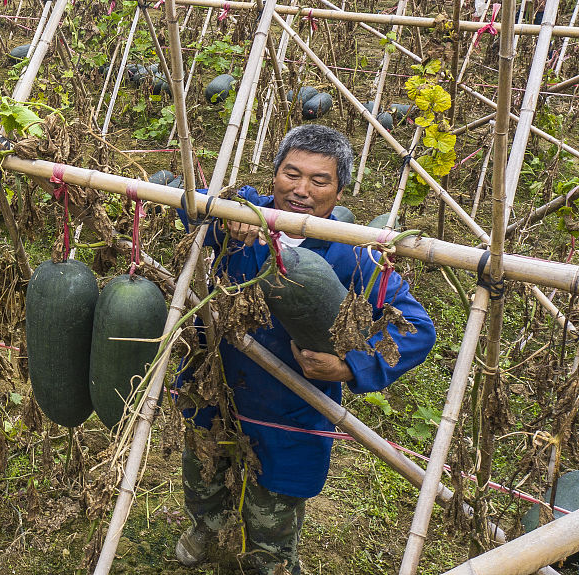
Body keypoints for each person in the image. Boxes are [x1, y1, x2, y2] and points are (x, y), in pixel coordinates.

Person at [173, 124, 436, 575]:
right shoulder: (244, 214)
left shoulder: (354, 256)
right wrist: (227, 208)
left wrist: (350, 366)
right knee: (204, 477)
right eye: (291, 174)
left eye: (319, 180)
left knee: (273, 513)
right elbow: (188, 203)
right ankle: (206, 527)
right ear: (274, 174)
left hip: (291, 411)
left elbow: (417, 329)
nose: (301, 190)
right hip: (214, 391)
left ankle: (270, 560)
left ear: (340, 191)